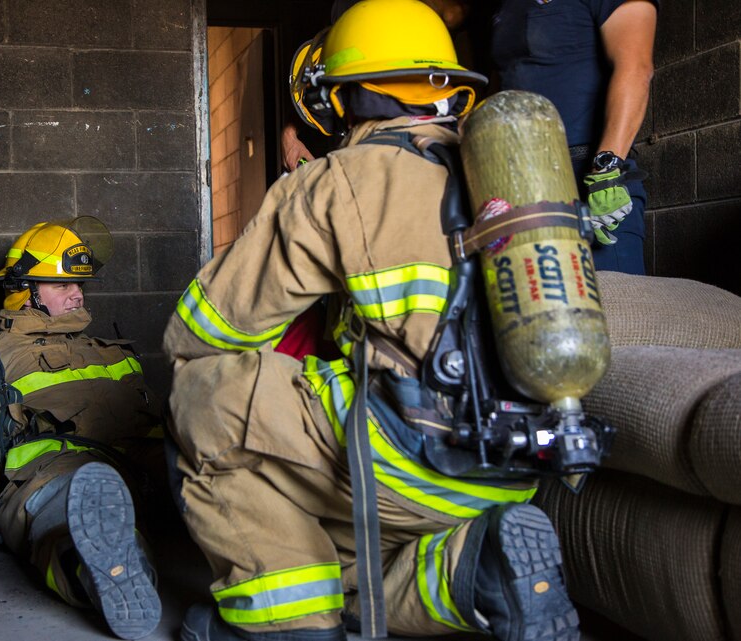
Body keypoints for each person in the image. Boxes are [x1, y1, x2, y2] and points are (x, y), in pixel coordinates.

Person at [165, 2, 578, 641]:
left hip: (408, 455)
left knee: (202, 392)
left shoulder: (342, 177)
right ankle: (479, 568)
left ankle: (290, 623)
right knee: (352, 559)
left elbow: (207, 330)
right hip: (515, 469)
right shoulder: (509, 177)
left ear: (341, 99)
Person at [0, 218, 163, 640]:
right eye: (62, 285)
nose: (78, 294)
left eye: (79, 285)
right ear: (25, 290)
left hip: (143, 465)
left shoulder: (109, 350)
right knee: (78, 515)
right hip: (56, 473)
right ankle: (106, 574)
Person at [489, 0, 658, 274]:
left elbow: (635, 67)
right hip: (522, 184)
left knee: (614, 298)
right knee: (532, 299)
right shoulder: (505, 7)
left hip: (588, 180)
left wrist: (607, 169)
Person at [281, 0, 472, 172]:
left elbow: (453, 13)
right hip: (360, 131)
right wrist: (290, 135)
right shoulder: (345, 8)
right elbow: (329, 74)